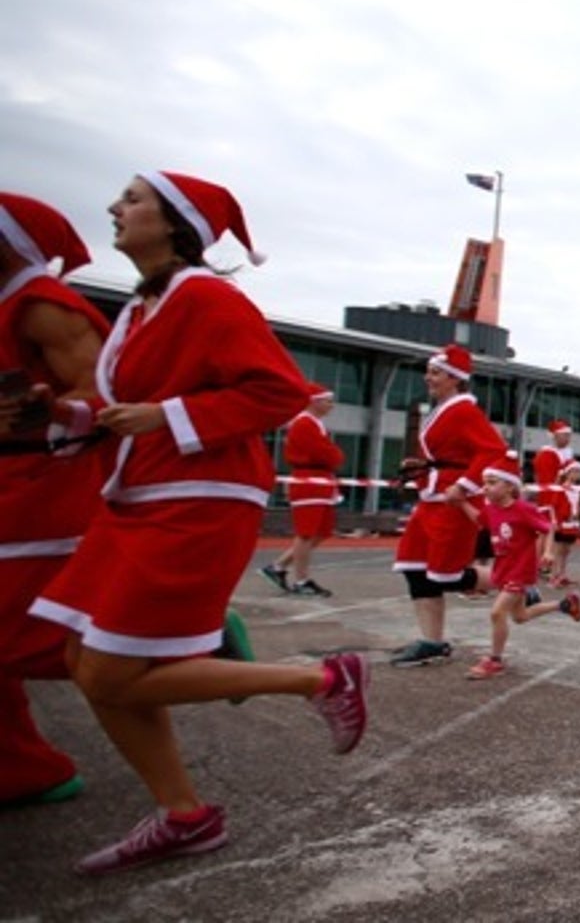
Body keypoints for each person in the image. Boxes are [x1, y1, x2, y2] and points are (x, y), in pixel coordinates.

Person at [26, 172, 366, 875]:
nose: (114, 209)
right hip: (139, 494)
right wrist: (68, 413)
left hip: (198, 497)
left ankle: (323, 681)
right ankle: (183, 814)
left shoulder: (208, 297)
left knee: (113, 674)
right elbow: (136, 406)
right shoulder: (139, 310)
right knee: (78, 661)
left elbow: (277, 391)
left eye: (131, 199)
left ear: (175, 222)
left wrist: (167, 418)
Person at [0, 194, 109, 809]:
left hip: (39, 489)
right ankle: (20, 766)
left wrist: (49, 412)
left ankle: (185, 640)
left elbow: (104, 392)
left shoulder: (42, 307)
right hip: (14, 487)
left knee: (15, 636)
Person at [390, 343, 506, 667]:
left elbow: (494, 450)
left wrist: (464, 484)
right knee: (414, 568)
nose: (428, 378)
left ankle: (513, 583)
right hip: (431, 499)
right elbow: (449, 456)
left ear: (455, 378)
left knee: (449, 573)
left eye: (436, 372)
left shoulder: (465, 411)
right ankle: (432, 641)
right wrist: (422, 465)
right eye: (428, 372)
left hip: (451, 503)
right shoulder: (441, 411)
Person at [467, 459, 580, 679]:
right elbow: (478, 519)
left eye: (492, 482)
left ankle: (495, 660)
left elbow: (548, 527)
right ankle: (566, 604)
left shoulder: (523, 509)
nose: (486, 487)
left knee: (497, 613)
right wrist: (461, 502)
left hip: (519, 570)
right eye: (485, 483)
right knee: (519, 616)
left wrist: (548, 552)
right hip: (503, 568)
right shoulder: (490, 509)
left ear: (510, 487)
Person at [262, 383, 344, 598]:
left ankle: (279, 566)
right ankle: (301, 579)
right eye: (328, 400)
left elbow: (329, 454)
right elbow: (325, 454)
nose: (331, 405)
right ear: (314, 401)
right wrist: (335, 456)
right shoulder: (304, 423)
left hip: (321, 480)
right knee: (307, 532)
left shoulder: (314, 424)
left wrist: (333, 456)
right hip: (310, 481)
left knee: (321, 531)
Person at [533, 420, 580, 587]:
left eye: (569, 435)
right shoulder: (547, 454)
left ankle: (556, 571)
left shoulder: (566, 454)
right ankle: (540, 567)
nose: (568, 438)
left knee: (561, 542)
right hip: (550, 499)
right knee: (546, 534)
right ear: (554, 436)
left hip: (563, 499)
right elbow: (548, 481)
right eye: (564, 435)